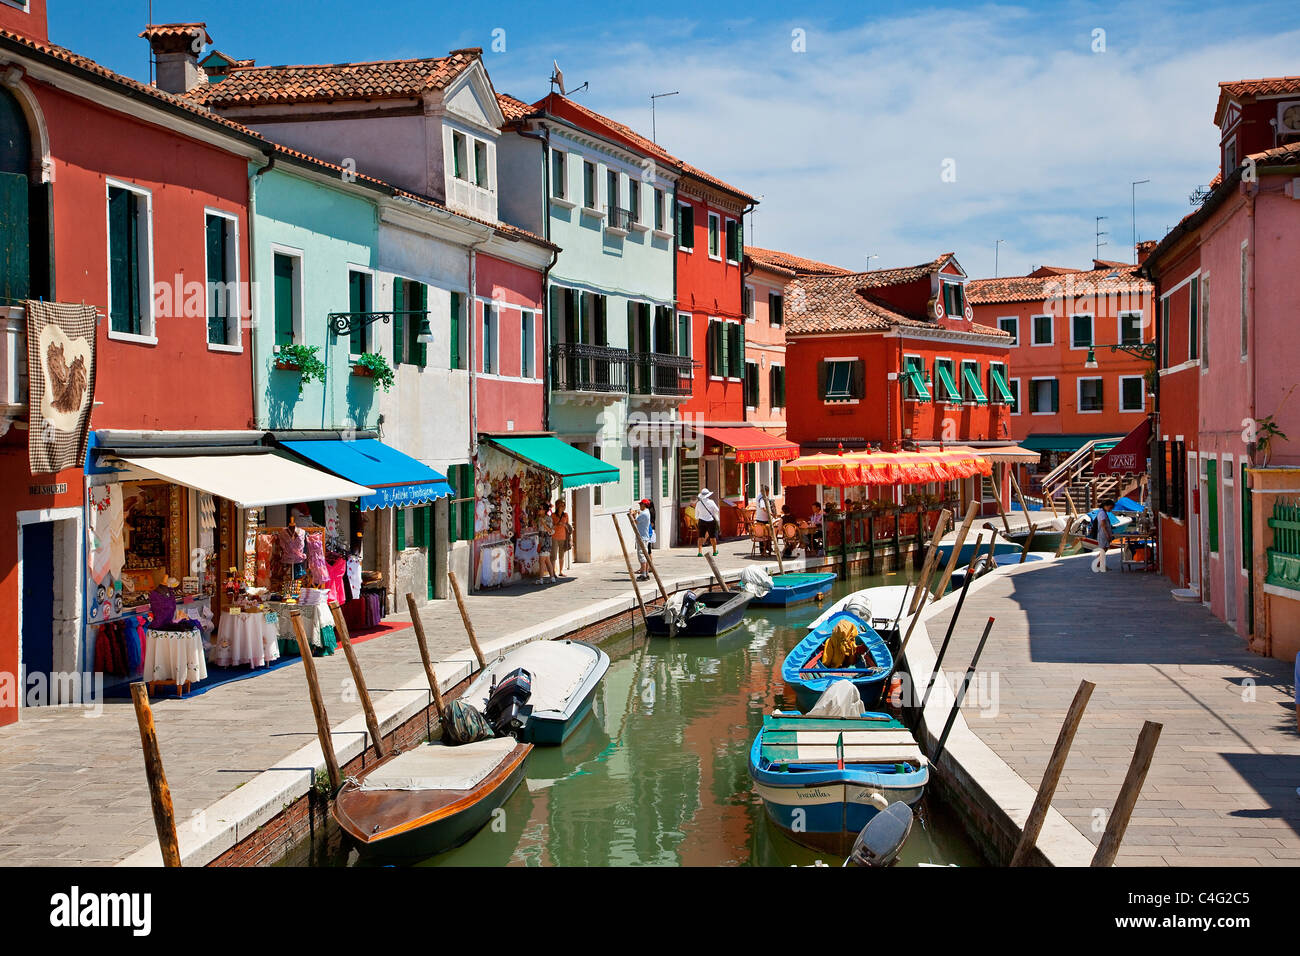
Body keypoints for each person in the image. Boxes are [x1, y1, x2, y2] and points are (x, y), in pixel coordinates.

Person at [536, 503, 557, 584]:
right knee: (547, 560)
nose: (539, 510)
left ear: (544, 510)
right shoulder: (540, 518)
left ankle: (541, 579)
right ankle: (552, 577)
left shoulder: (548, 519)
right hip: (542, 540)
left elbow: (550, 531)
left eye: (540, 508)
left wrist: (543, 524)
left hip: (546, 540)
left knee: (542, 561)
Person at [695, 487, 720, 557]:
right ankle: (714, 551)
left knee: (700, 537)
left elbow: (696, 515)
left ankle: (700, 552)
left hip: (701, 521)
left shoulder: (698, 503)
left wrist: (698, 518)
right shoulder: (711, 502)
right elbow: (717, 510)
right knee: (712, 536)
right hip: (710, 521)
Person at [631, 500, 653, 580]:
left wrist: (633, 515)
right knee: (645, 555)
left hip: (642, 537)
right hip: (645, 537)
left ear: (644, 505)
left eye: (641, 504)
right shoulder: (646, 512)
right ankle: (646, 573)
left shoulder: (644, 514)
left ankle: (643, 574)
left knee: (641, 556)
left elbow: (635, 522)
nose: (640, 505)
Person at [1091, 500, 1114, 573]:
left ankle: (1100, 564)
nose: (1110, 510)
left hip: (1104, 534)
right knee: (1103, 550)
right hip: (1103, 534)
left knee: (1104, 549)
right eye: (1110, 508)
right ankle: (1099, 564)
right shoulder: (1102, 513)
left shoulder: (1103, 512)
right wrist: (1108, 535)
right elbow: (1103, 525)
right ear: (1106, 506)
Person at [552, 499, 571, 576]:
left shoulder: (565, 515)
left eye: (564, 505)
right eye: (562, 505)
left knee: (561, 555)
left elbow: (568, 526)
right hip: (554, 537)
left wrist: (564, 525)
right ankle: (552, 572)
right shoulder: (553, 515)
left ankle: (560, 571)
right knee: (553, 555)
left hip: (563, 537)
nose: (564, 507)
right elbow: (550, 526)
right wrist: (557, 524)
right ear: (557, 506)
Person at [754, 485, 774, 555]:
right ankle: (764, 550)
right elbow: (763, 508)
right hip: (763, 520)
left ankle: (767, 548)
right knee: (764, 535)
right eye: (768, 492)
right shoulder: (762, 498)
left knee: (763, 535)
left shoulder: (759, 496)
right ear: (766, 492)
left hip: (760, 518)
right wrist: (771, 514)